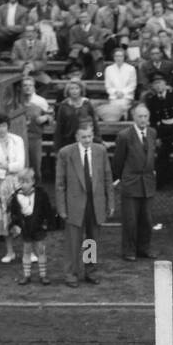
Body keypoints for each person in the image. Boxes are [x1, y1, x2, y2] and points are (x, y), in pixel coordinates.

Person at [55, 119, 114, 287]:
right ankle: (71, 274)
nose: (87, 140)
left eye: (89, 136)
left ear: (93, 135)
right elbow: (60, 183)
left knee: (91, 240)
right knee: (73, 242)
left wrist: (110, 203)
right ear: (76, 137)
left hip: (95, 203)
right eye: (83, 137)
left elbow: (107, 178)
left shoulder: (100, 151)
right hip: (74, 204)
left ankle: (90, 271)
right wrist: (61, 208)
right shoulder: (65, 153)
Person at [111, 103, 159, 261]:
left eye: (146, 116)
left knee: (147, 219)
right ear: (134, 117)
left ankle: (144, 248)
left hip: (148, 182)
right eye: (140, 116)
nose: (143, 119)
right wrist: (120, 178)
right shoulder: (124, 135)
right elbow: (118, 160)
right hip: (131, 182)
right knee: (130, 219)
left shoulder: (152, 133)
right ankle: (129, 250)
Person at [0, 112, 27, 263]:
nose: (1, 129)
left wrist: (7, 166)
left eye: (3, 125)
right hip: (0, 183)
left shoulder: (18, 140)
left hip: (19, 181)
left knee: (23, 215)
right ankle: (10, 252)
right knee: (4, 217)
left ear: (7, 125)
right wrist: (7, 171)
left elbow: (21, 164)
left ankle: (29, 252)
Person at [8, 167, 60, 286]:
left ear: (33, 182)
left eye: (26, 182)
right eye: (21, 182)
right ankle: (26, 275)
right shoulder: (16, 197)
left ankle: (43, 275)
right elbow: (14, 214)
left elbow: (48, 210)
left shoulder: (41, 194)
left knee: (41, 250)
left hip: (38, 226)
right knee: (26, 251)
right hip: (25, 227)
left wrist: (47, 224)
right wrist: (15, 225)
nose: (24, 185)